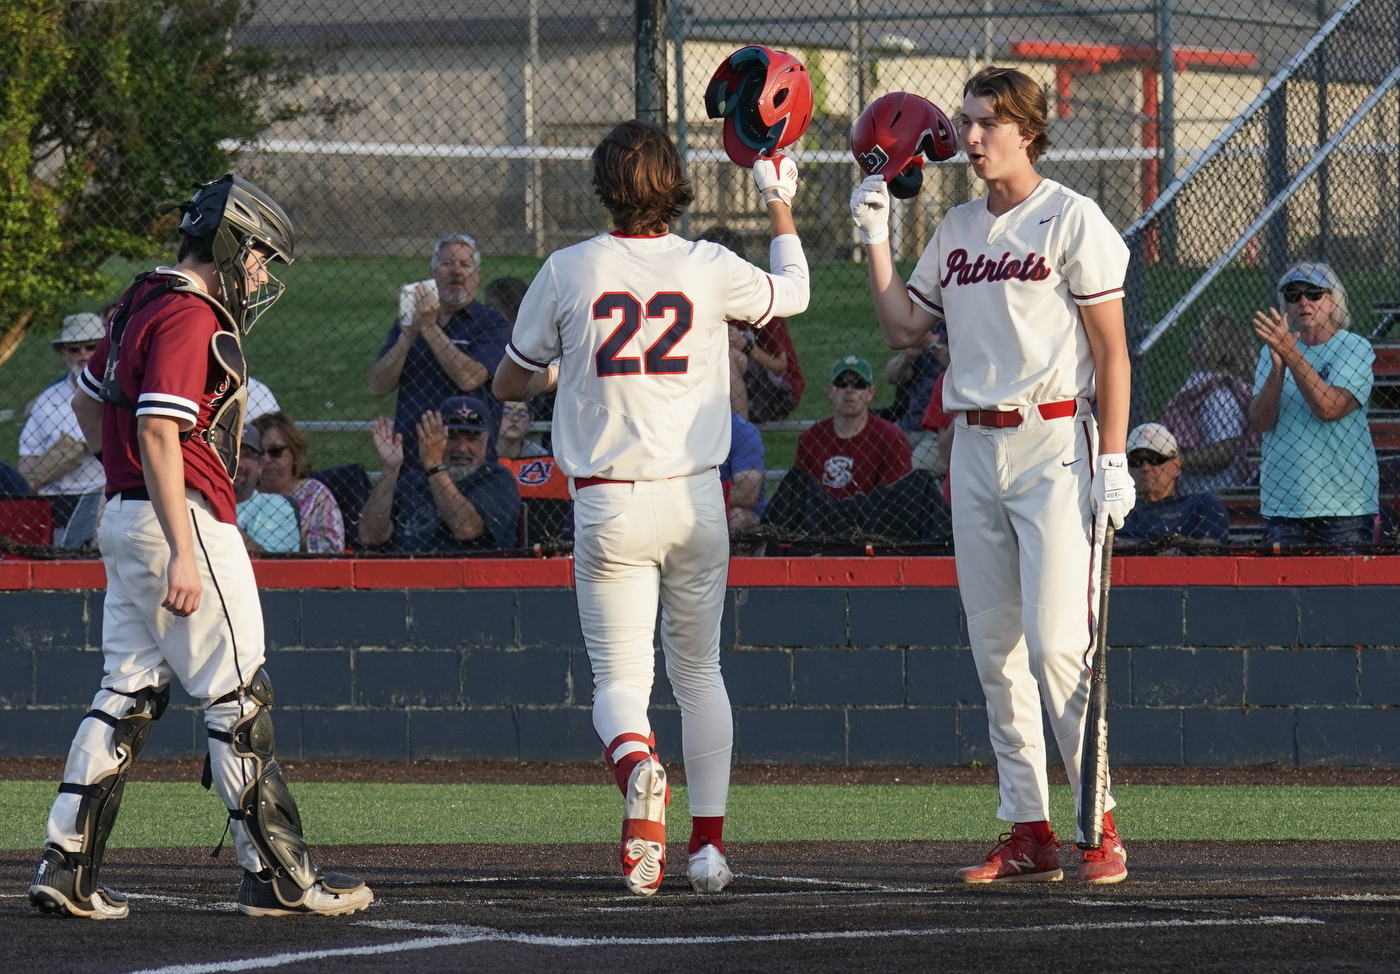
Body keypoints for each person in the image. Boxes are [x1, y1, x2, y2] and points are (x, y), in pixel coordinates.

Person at [38, 173, 371, 919]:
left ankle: (67, 867)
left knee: (127, 689)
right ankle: (280, 874)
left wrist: (125, 481)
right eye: (256, 257)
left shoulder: (136, 300)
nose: (260, 274)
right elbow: (159, 429)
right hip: (179, 517)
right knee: (238, 697)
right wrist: (183, 547)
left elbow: (91, 402)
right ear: (227, 242)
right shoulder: (192, 314)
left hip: (127, 515)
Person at [493, 119, 809, 896]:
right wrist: (779, 203)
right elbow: (794, 295)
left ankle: (639, 769)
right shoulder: (705, 265)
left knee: (619, 686)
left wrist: (566, 369)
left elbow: (507, 381)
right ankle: (707, 850)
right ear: (677, 184)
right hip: (699, 497)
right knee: (700, 674)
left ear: (604, 186)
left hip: (609, 503)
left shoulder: (569, 268)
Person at [852, 67, 1135, 884]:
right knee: (995, 650)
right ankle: (1028, 828)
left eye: (987, 123)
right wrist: (875, 236)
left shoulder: (1071, 218)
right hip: (972, 446)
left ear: (1028, 131)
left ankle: (1098, 821)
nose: (970, 138)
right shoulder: (958, 226)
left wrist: (1112, 458)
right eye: (967, 122)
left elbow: (1113, 351)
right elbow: (905, 328)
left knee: (1058, 645)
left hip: (1054, 441)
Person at [1249, 263, 1378, 548]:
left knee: (1345, 592)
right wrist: (1277, 369)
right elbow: (1260, 421)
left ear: (1333, 301)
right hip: (1284, 504)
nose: (1303, 302)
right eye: (1293, 295)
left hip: (1345, 506)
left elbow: (1329, 408)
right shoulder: (1270, 351)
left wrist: (1290, 354)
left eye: (1314, 293)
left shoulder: (1354, 347)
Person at [366, 232, 512, 468]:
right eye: (447, 264)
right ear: (432, 274)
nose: (456, 271)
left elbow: (470, 377)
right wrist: (407, 335)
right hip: (413, 460)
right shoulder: (410, 322)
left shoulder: (492, 323)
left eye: (465, 264)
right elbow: (377, 385)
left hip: (469, 460)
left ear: (477, 276)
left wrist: (429, 328)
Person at [359, 395, 521, 553]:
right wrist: (390, 470)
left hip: (466, 577)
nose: (462, 448)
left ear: (486, 441)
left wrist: (435, 467)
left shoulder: (497, 479)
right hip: (403, 575)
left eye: (472, 439)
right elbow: (370, 536)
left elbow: (466, 529)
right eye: (452, 437)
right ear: (434, 438)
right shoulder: (414, 481)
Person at [701, 226, 805, 423]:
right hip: (726, 385)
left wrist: (746, 346)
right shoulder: (703, 299)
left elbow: (780, 366)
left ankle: (743, 439)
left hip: (778, 389)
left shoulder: (757, 297)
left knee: (729, 357)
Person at [1160, 307, 1260, 493]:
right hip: (1195, 494)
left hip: (1215, 496)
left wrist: (1174, 462)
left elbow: (1223, 451)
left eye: (1200, 333)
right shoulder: (1203, 386)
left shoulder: (1220, 394)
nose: (1193, 337)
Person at [794, 356, 912, 501]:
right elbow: (800, 495)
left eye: (859, 384)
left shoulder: (890, 438)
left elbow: (896, 499)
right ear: (830, 390)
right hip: (820, 519)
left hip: (872, 520)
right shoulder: (810, 438)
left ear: (870, 393)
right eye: (841, 383)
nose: (849, 390)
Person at [18, 313, 106, 497]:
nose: (83, 354)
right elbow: (28, 455)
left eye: (91, 346)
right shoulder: (47, 400)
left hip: (106, 493)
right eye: (74, 349)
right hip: (56, 497)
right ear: (63, 352)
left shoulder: (119, 392)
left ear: (104, 349)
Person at [1116, 423, 1230, 548]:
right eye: (1135, 461)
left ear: (1176, 464)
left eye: (1155, 459)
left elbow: (1209, 550)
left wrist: (1138, 548)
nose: (1145, 468)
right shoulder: (1117, 510)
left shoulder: (1201, 505)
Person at [251, 411, 345, 554]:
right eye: (258, 452)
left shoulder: (316, 495)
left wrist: (289, 533)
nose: (266, 459)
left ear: (294, 452)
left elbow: (332, 549)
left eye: (275, 451)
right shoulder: (243, 494)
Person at [234, 425, 299, 554]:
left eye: (247, 456)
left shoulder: (275, 507)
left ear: (260, 465)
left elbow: (271, 565)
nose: (237, 464)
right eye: (231, 454)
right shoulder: (195, 501)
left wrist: (221, 519)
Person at [722, 411, 767, 533]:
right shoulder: (673, 429)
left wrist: (690, 497)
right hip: (689, 510)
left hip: (737, 515)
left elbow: (747, 494)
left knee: (737, 515)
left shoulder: (741, 430)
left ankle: (735, 553)